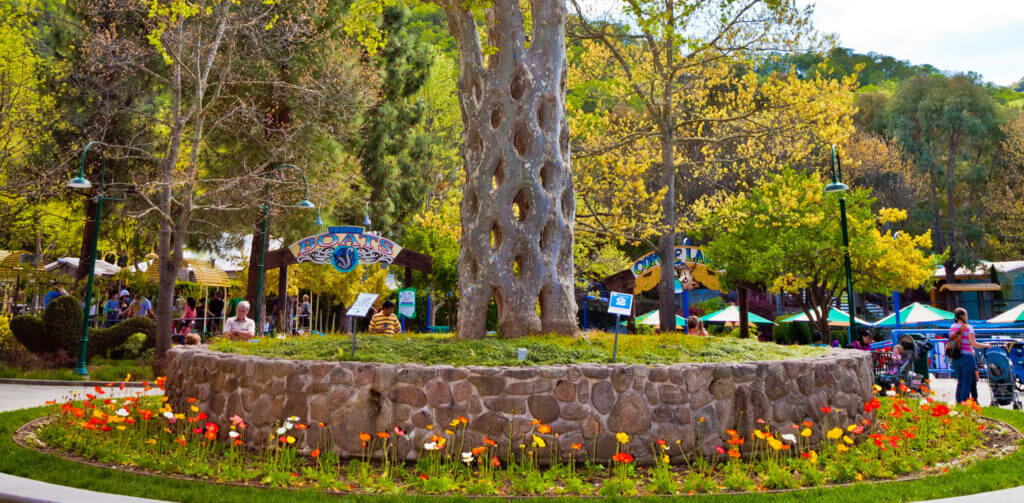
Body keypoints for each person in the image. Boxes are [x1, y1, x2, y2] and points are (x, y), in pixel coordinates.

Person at [949, 307, 991, 404]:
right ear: (963, 316)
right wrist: (986, 345)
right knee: (967, 382)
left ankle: (958, 403)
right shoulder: (968, 327)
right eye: (966, 315)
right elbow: (973, 344)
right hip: (967, 357)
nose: (967, 317)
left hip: (955, 357)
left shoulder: (952, 327)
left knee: (960, 381)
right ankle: (964, 403)